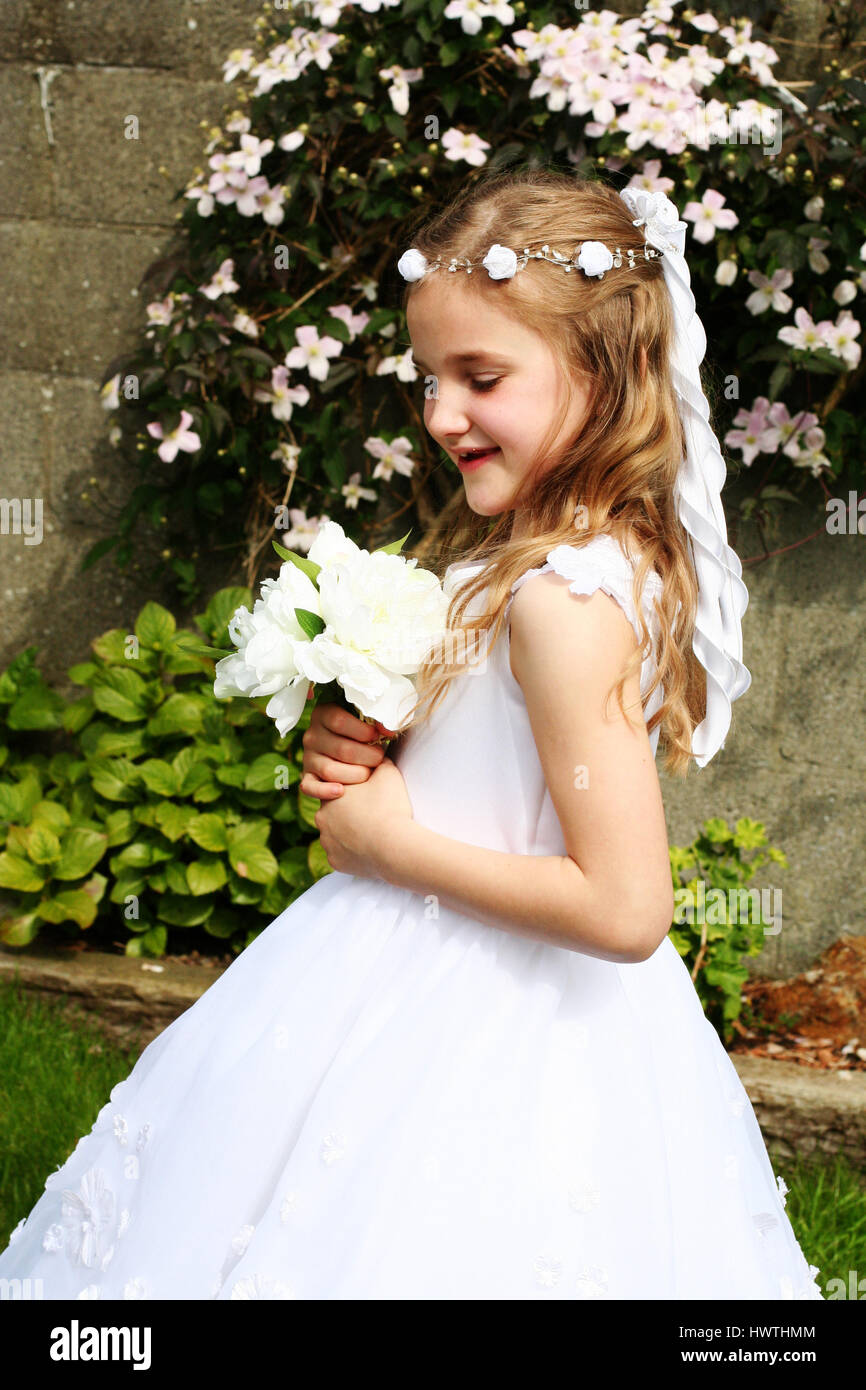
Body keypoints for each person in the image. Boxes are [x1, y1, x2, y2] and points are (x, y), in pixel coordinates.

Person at [0, 169, 822, 1300]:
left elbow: (626, 909)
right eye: (429, 378)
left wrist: (390, 847)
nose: (439, 415)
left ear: (602, 368)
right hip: (413, 965)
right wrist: (374, 747)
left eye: (479, 377)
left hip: (490, 1013)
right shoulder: (550, 562)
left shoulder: (560, 597)